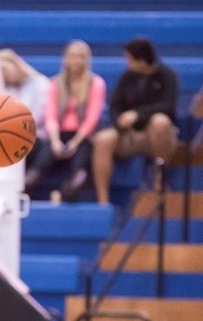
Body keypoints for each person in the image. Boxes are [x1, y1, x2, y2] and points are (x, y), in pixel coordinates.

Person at [91, 38, 179, 206]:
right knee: (103, 139)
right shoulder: (127, 77)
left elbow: (168, 106)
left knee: (160, 122)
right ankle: (103, 201)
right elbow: (115, 106)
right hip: (130, 134)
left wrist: (138, 115)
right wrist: (120, 123)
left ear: (142, 60)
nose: (127, 63)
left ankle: (160, 178)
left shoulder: (167, 75)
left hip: (158, 136)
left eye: (129, 59)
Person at [28, 40, 106, 200]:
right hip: (58, 134)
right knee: (42, 160)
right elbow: (50, 115)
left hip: (83, 137)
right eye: (73, 56)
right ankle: (25, 189)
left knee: (81, 168)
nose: (77, 60)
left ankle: (65, 194)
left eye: (81, 57)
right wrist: (55, 141)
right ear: (66, 58)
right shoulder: (55, 83)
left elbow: (92, 118)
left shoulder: (96, 83)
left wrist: (75, 142)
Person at [0, 49, 50, 175]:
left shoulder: (39, 82)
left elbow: (39, 115)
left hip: (36, 135)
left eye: (5, 69)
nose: (4, 74)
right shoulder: (3, 87)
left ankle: (30, 178)